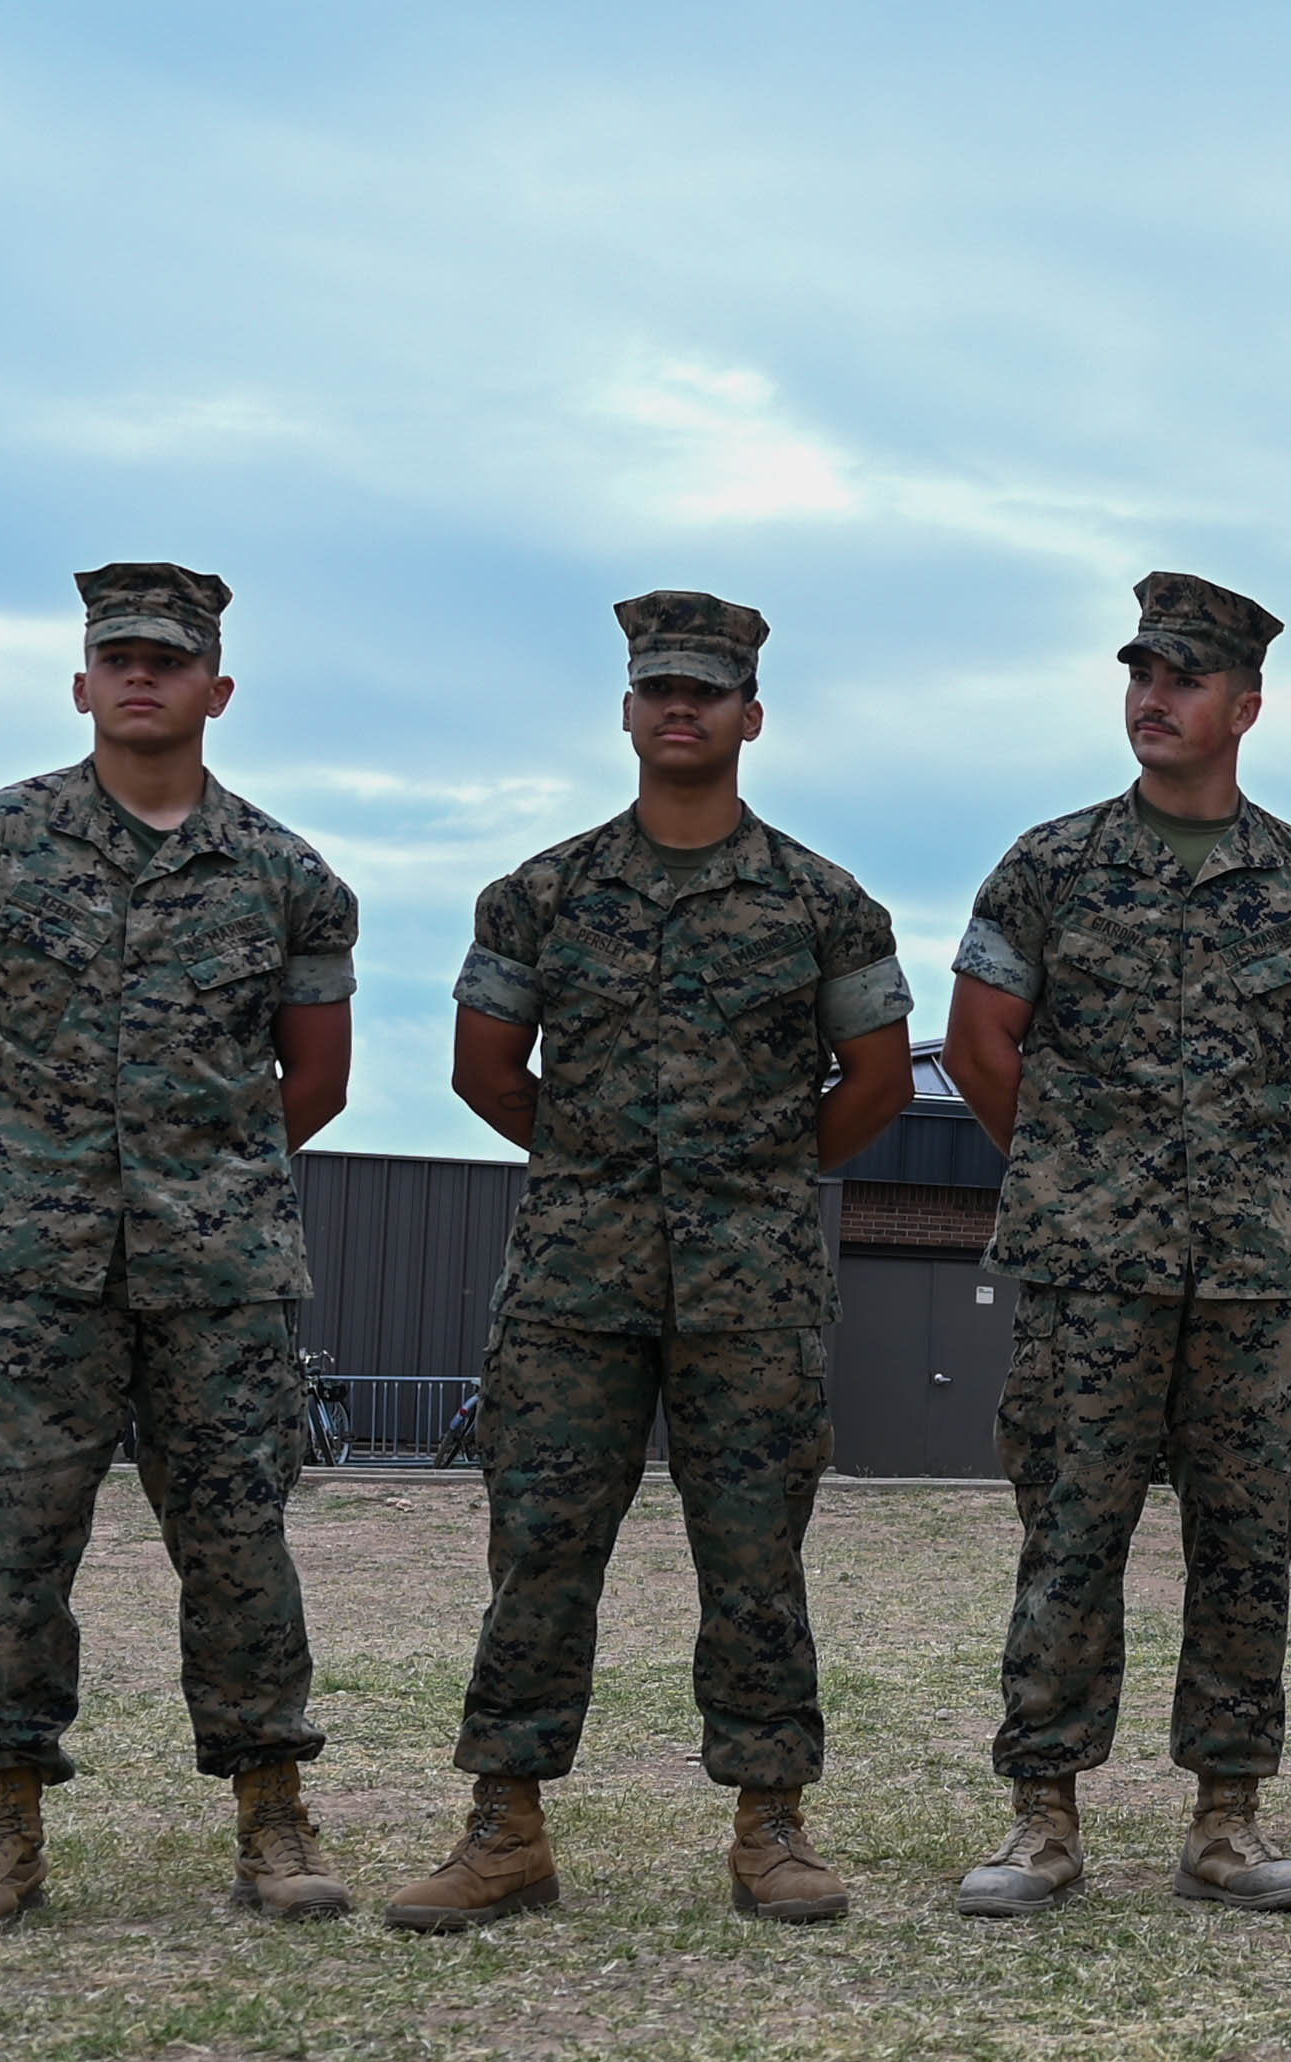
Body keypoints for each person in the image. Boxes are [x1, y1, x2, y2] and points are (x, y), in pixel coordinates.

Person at [378, 590, 913, 1931]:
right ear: (627, 711)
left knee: (755, 1560)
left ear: (751, 716)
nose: (683, 707)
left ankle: (771, 1824)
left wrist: (761, 1180)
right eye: (660, 688)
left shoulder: (824, 905)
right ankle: (505, 1827)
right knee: (541, 1552)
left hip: (754, 1290)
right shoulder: (540, 896)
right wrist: (598, 1172)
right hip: (574, 1287)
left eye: (708, 690)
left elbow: (877, 1082)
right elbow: (485, 1070)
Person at [0, 565, 364, 1931]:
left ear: (216, 690)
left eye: (169, 657)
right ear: (81, 684)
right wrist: (5, 1170)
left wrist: (207, 1183)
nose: (141, 675)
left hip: (217, 1277)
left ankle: (272, 1813)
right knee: (13, 1553)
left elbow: (312, 1085)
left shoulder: (288, 880)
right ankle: (2, 1822)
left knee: (238, 1547)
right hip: (25, 1268)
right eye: (117, 656)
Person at [937, 570, 1291, 1916]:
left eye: (1184, 679)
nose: (1155, 696)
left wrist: (1262, 1174)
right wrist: (1087, 1173)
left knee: (1248, 1542)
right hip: (1091, 1275)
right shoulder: (1052, 865)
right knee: (1070, 1535)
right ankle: (1043, 1816)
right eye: (1141, 672)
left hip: (1255, 1277)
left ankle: (1228, 1820)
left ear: (1245, 706)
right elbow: (979, 1045)